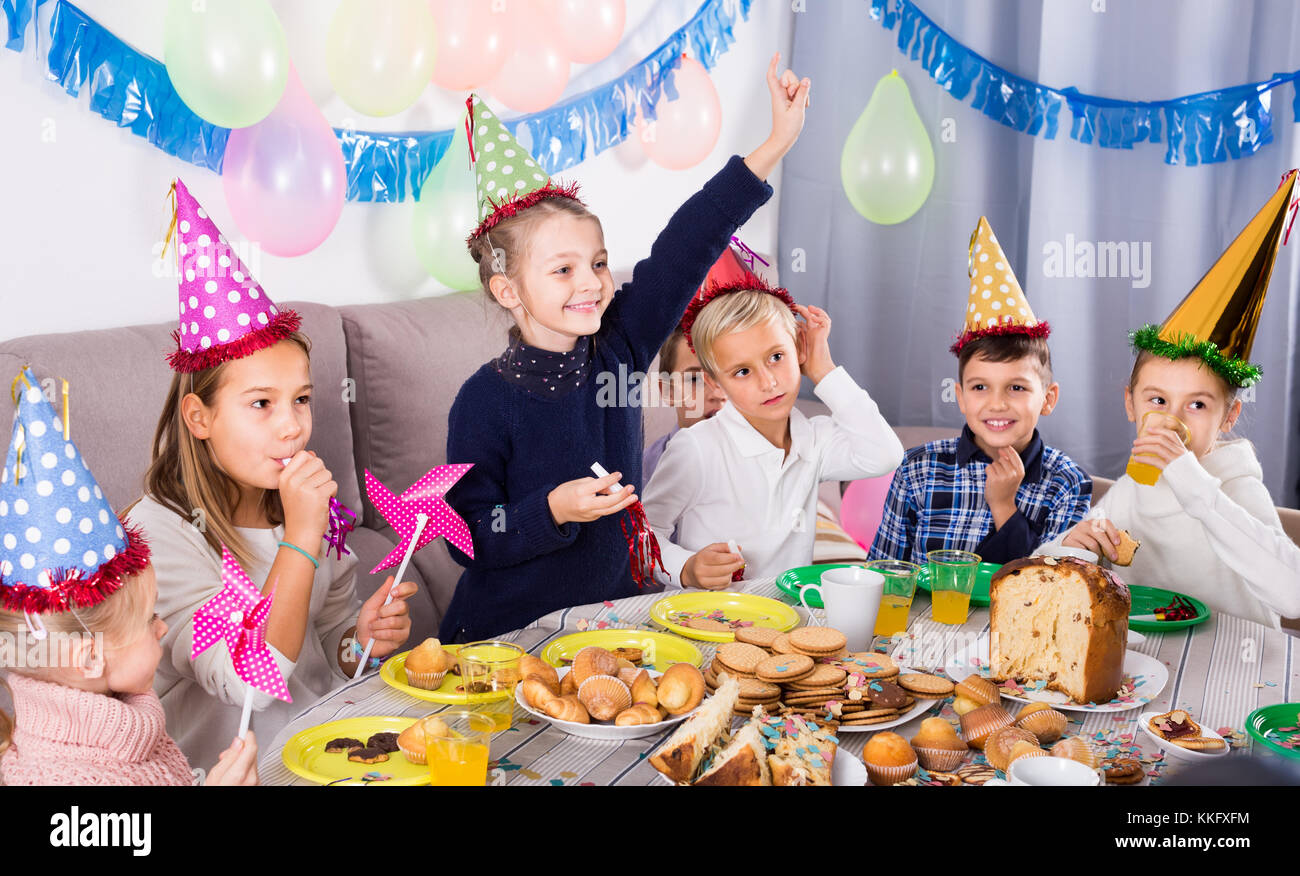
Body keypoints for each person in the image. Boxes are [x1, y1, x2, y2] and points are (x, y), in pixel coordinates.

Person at [442, 55, 810, 640]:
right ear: (507, 289)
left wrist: (770, 148)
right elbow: (466, 536)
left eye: (597, 263)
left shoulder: (620, 346)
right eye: (563, 270)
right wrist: (552, 510)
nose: (591, 282)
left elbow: (684, 247)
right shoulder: (483, 400)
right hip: (506, 637)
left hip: (613, 627)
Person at [125, 180, 414, 769]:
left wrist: (359, 638)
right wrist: (301, 541)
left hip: (326, 743)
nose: (293, 428)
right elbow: (249, 684)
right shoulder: (159, 535)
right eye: (261, 404)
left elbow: (330, 648)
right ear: (198, 416)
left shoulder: (307, 504)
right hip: (237, 768)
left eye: (301, 400)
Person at [1038, 172, 1300, 628]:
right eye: (1157, 400)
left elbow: (1293, 597)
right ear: (1131, 404)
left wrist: (1191, 481)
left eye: (1197, 405)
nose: (1172, 420)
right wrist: (1070, 549)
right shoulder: (1134, 489)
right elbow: (1044, 571)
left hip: (1237, 672)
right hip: (1153, 667)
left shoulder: (1236, 487)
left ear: (1228, 417)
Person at [0, 368, 257, 785]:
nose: (162, 627)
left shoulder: (128, 724)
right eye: (148, 618)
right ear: (89, 658)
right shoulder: (63, 780)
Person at [642, 276, 903, 587]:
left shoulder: (815, 440)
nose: (768, 382)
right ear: (716, 383)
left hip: (785, 616)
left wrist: (822, 369)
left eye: (776, 357)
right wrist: (686, 568)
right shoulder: (697, 447)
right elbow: (644, 534)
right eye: (742, 371)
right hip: (708, 617)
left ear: (798, 349)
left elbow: (885, 455)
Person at [869, 216, 1091, 565]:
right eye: (980, 387)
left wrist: (1004, 506)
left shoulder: (1066, 483)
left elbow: (1055, 589)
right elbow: (881, 573)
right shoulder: (919, 470)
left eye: (1016, 387)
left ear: (1048, 399)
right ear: (960, 396)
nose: (997, 403)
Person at [643, 320, 727, 482]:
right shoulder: (645, 474)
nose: (718, 393)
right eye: (695, 379)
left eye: (734, 374)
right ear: (669, 390)